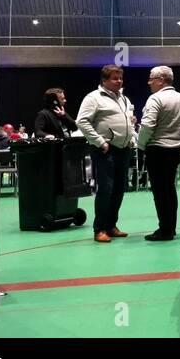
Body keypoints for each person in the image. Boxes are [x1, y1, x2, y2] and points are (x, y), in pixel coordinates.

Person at [136, 66, 180, 241]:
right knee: (170, 189)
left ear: (161, 80)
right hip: (176, 150)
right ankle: (171, 227)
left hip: (157, 149)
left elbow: (148, 125)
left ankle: (165, 230)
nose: (149, 82)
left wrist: (140, 145)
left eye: (151, 78)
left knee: (160, 191)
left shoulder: (155, 99)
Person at [76, 65, 137, 243]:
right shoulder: (94, 98)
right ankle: (99, 229)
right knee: (106, 190)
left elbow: (129, 121)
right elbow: (82, 121)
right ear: (104, 81)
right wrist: (99, 141)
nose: (119, 81)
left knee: (119, 190)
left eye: (121, 78)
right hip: (106, 150)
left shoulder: (124, 98)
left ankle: (111, 226)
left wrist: (131, 137)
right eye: (115, 78)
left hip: (124, 149)